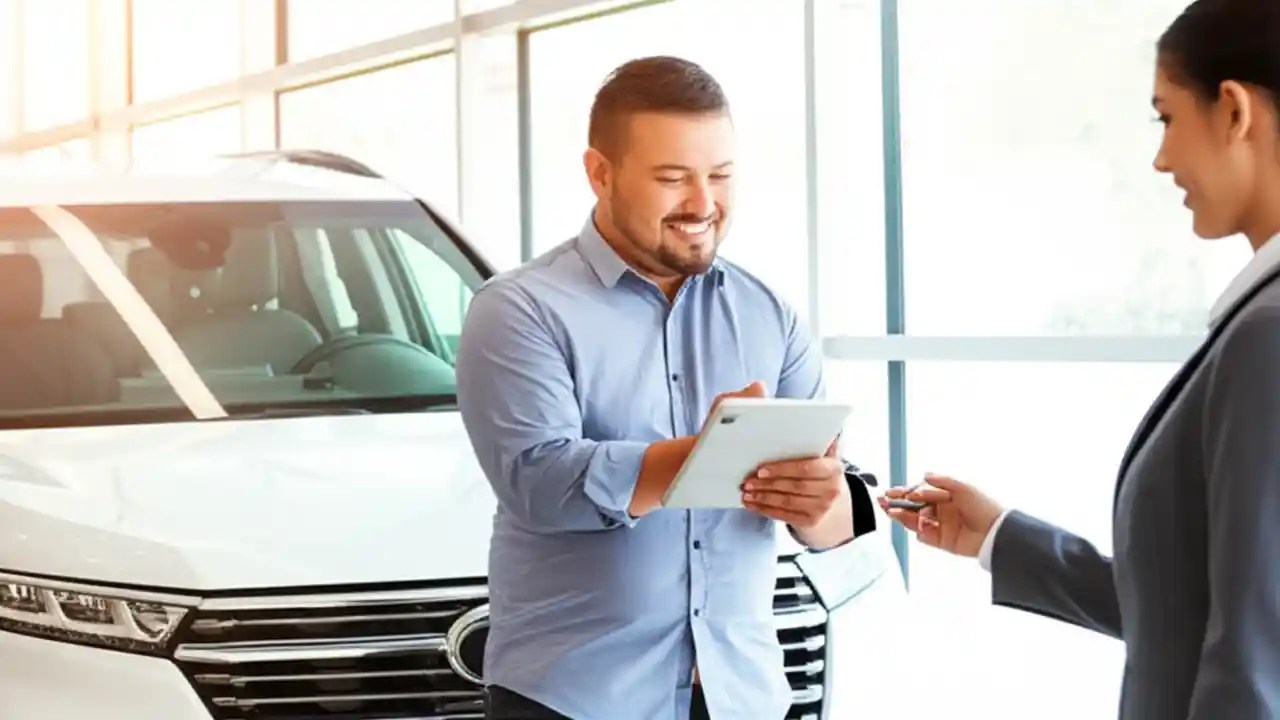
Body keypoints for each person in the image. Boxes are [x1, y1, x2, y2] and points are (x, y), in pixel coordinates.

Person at [882, 2, 1280, 718]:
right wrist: (999, 537)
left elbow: (1251, 661)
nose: (1161, 158)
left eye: (1166, 117)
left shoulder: (1267, 335)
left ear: (1233, 110)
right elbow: (1193, 602)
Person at [456, 55, 876, 720]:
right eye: (673, 178)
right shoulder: (518, 309)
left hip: (742, 696)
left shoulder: (771, 313)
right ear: (601, 173)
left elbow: (840, 506)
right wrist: (703, 456)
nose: (703, 204)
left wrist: (826, 503)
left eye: (720, 176)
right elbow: (539, 483)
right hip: (573, 702)